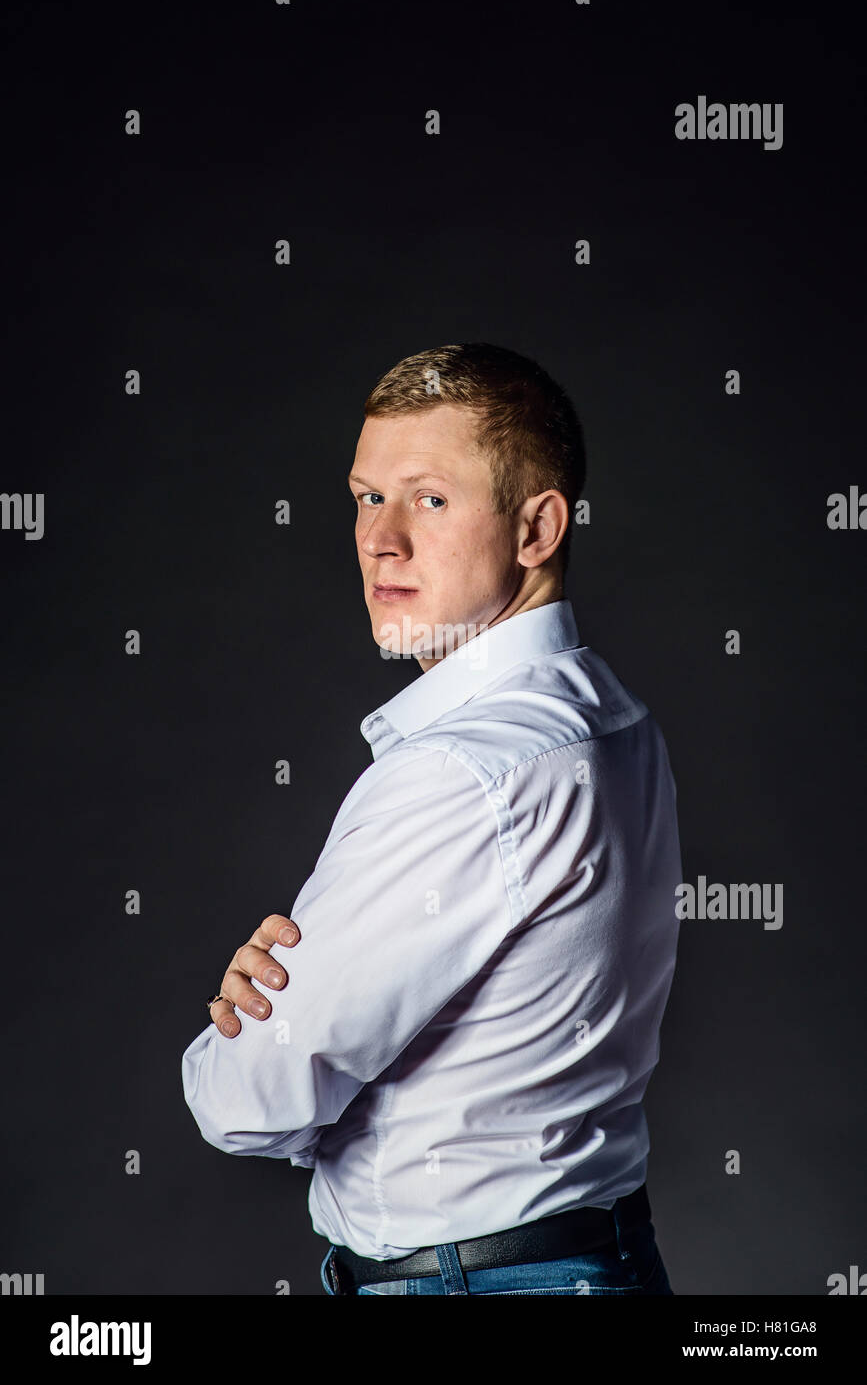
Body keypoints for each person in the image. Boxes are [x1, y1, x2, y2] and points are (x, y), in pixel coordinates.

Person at [181, 341, 682, 1296]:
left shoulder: (461, 772)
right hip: (595, 1259)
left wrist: (251, 1042)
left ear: (537, 528)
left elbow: (245, 1101)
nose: (381, 540)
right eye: (368, 497)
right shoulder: (611, 718)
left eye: (430, 499)